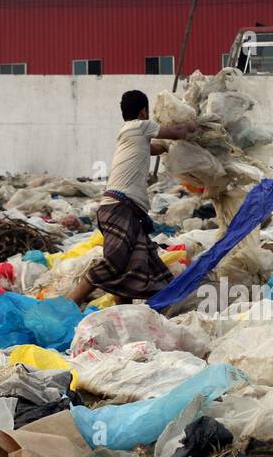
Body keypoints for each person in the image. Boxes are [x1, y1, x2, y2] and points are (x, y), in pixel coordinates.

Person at [67, 90, 196, 307]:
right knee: (115, 262)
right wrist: (196, 125)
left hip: (124, 210)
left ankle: (125, 315)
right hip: (119, 207)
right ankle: (69, 303)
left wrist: (172, 147)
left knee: (141, 264)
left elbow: (157, 147)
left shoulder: (132, 134)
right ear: (143, 112)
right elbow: (177, 132)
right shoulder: (139, 126)